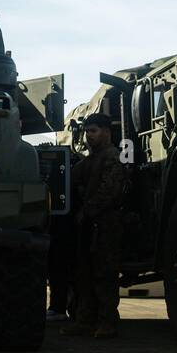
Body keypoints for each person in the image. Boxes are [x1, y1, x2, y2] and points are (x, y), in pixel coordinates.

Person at [62, 113, 129, 338]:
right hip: (90, 226)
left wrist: (88, 210)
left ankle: (107, 322)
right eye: (87, 131)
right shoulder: (89, 161)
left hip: (106, 225)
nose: (89, 136)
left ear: (107, 132)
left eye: (94, 131)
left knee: (105, 274)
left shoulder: (113, 157)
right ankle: (85, 320)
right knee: (84, 273)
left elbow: (110, 191)